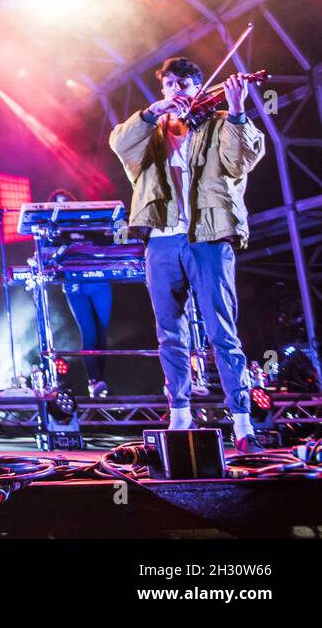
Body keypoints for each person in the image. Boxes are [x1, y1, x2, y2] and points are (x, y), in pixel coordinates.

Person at [108, 57, 267, 454]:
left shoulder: (219, 125)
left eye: (184, 83)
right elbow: (118, 143)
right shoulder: (152, 131)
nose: (175, 90)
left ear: (199, 87)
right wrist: (149, 113)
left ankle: (243, 422)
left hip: (208, 237)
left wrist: (238, 110)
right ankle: (180, 412)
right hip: (162, 240)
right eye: (169, 85)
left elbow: (240, 160)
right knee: (169, 332)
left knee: (221, 331)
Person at [48, 188, 113, 398]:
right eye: (58, 203)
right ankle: (94, 380)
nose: (63, 206)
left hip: (99, 280)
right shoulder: (53, 228)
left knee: (102, 331)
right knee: (89, 331)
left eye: (66, 202)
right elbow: (48, 253)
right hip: (74, 284)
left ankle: (101, 378)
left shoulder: (88, 221)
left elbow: (107, 240)